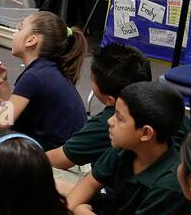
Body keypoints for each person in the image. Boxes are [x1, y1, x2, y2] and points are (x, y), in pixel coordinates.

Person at [67, 81, 191, 215]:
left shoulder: (170, 182)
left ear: (145, 133)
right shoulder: (125, 148)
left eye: (119, 118)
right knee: (55, 188)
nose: (110, 121)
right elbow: (91, 181)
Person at [47, 42, 154, 192]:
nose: (113, 121)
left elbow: (59, 160)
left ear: (110, 100)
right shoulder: (160, 108)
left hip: (110, 192)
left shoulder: (106, 125)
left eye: (92, 80)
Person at [0, 11, 87, 150]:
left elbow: (3, 122)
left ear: (31, 40)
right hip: (66, 148)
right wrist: (2, 83)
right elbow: (14, 111)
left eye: (20, 29)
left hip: (55, 156)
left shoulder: (34, 76)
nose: (15, 33)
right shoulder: (46, 69)